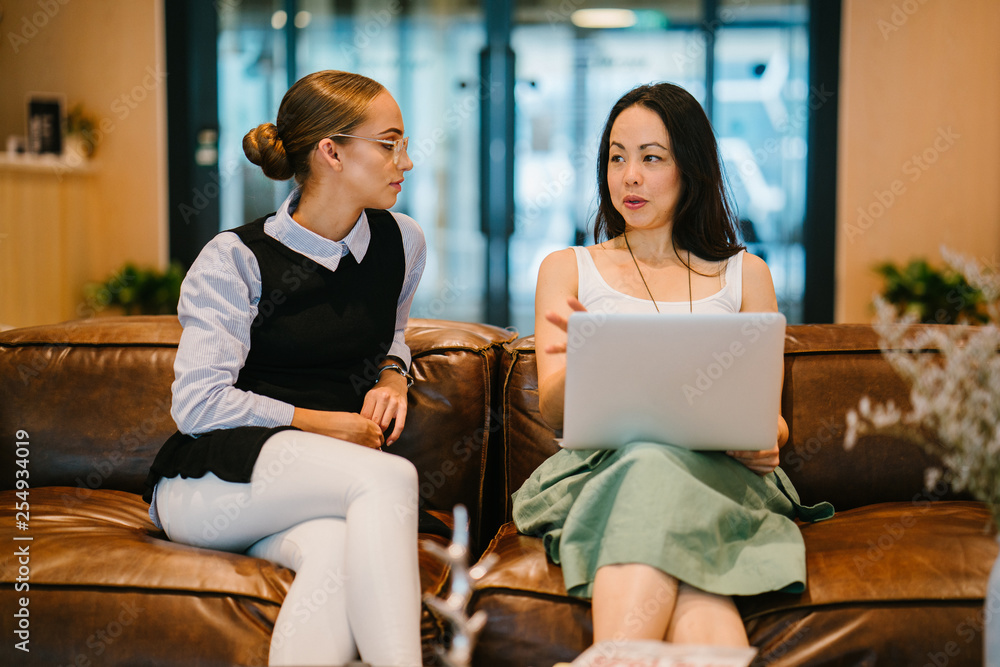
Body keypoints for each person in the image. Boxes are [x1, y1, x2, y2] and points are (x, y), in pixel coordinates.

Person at [512, 82, 834, 649]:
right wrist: (583, 360)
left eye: (651, 158)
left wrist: (764, 440)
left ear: (691, 168)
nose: (629, 176)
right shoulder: (567, 269)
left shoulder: (746, 274)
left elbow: (771, 422)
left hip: (723, 475)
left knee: (656, 469)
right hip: (600, 471)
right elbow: (558, 416)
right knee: (658, 489)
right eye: (617, 157)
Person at [143, 70, 426, 667]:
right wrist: (322, 422)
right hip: (214, 480)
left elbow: (394, 332)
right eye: (389, 143)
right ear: (331, 152)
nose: (406, 160)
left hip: (309, 490)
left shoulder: (404, 242)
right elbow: (197, 405)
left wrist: (393, 374)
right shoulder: (235, 259)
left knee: (336, 556)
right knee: (390, 478)